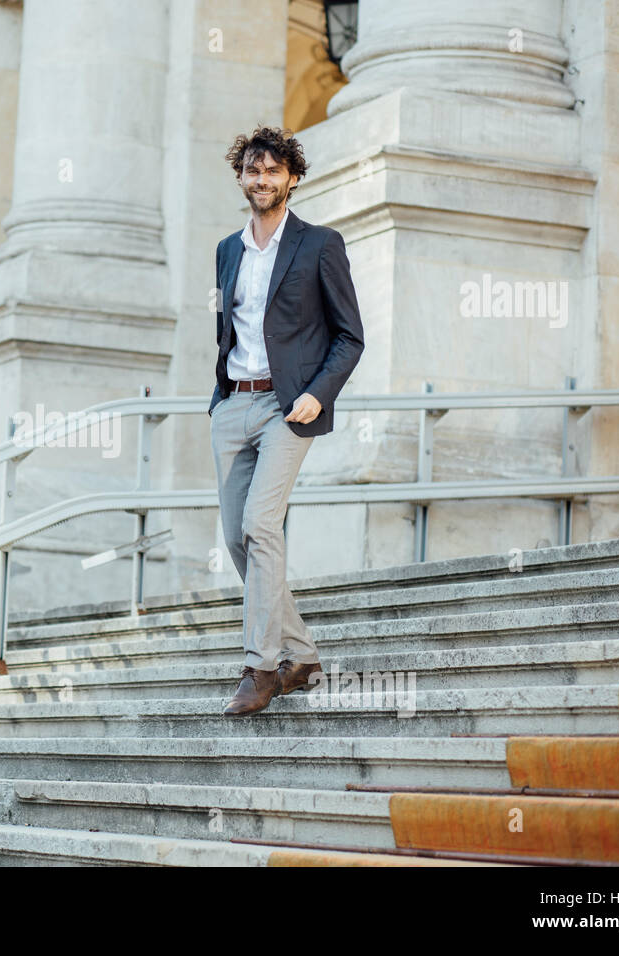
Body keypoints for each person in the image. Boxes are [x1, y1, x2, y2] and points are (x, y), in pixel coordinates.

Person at [208, 125, 364, 717]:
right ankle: (302, 653)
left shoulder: (320, 244)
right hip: (233, 405)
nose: (262, 180)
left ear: (292, 177)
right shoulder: (227, 250)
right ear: (241, 177)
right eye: (253, 170)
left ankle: (261, 666)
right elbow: (228, 325)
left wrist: (319, 394)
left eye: (274, 171)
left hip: (286, 406)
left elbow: (350, 336)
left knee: (260, 525)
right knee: (235, 537)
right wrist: (220, 394)